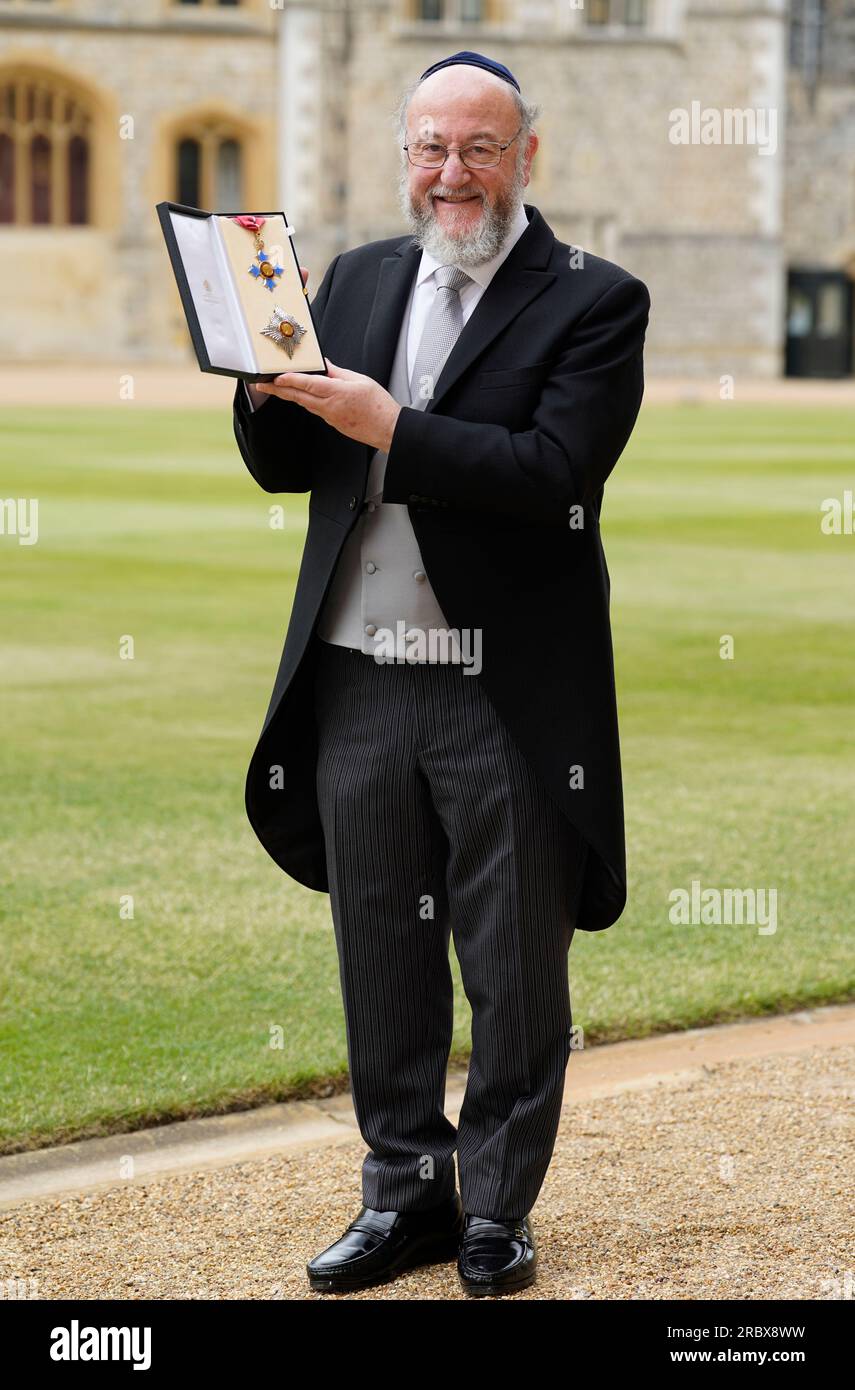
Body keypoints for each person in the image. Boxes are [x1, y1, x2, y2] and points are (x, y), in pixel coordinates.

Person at [232, 50, 650, 1297]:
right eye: (429, 147)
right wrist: (260, 390)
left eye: (477, 147)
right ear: (404, 155)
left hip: (499, 684)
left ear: (527, 156)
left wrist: (389, 428)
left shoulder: (594, 299)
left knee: (514, 963)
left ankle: (499, 1209)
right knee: (381, 948)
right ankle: (403, 1193)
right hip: (357, 674)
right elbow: (278, 464)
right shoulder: (355, 276)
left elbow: (551, 475)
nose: (450, 172)